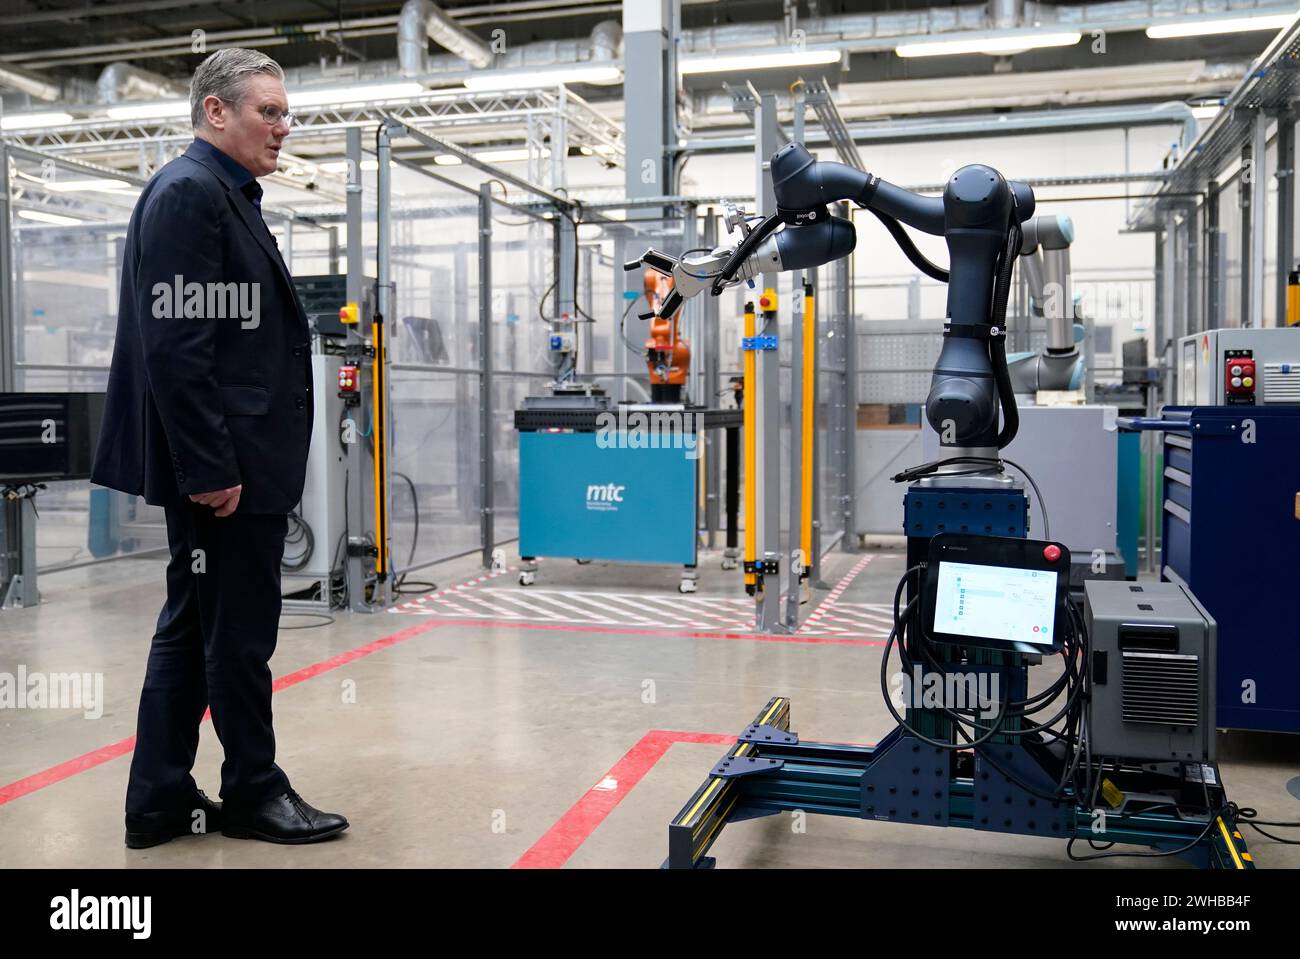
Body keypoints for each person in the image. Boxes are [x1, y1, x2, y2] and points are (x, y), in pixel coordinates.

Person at [92, 47, 348, 848]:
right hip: (224, 474)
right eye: (266, 111)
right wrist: (209, 468)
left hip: (235, 465)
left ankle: (160, 797)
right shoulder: (190, 196)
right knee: (237, 636)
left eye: (284, 111)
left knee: (197, 626)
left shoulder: (223, 195)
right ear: (215, 112)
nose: (283, 125)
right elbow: (177, 347)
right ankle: (253, 790)